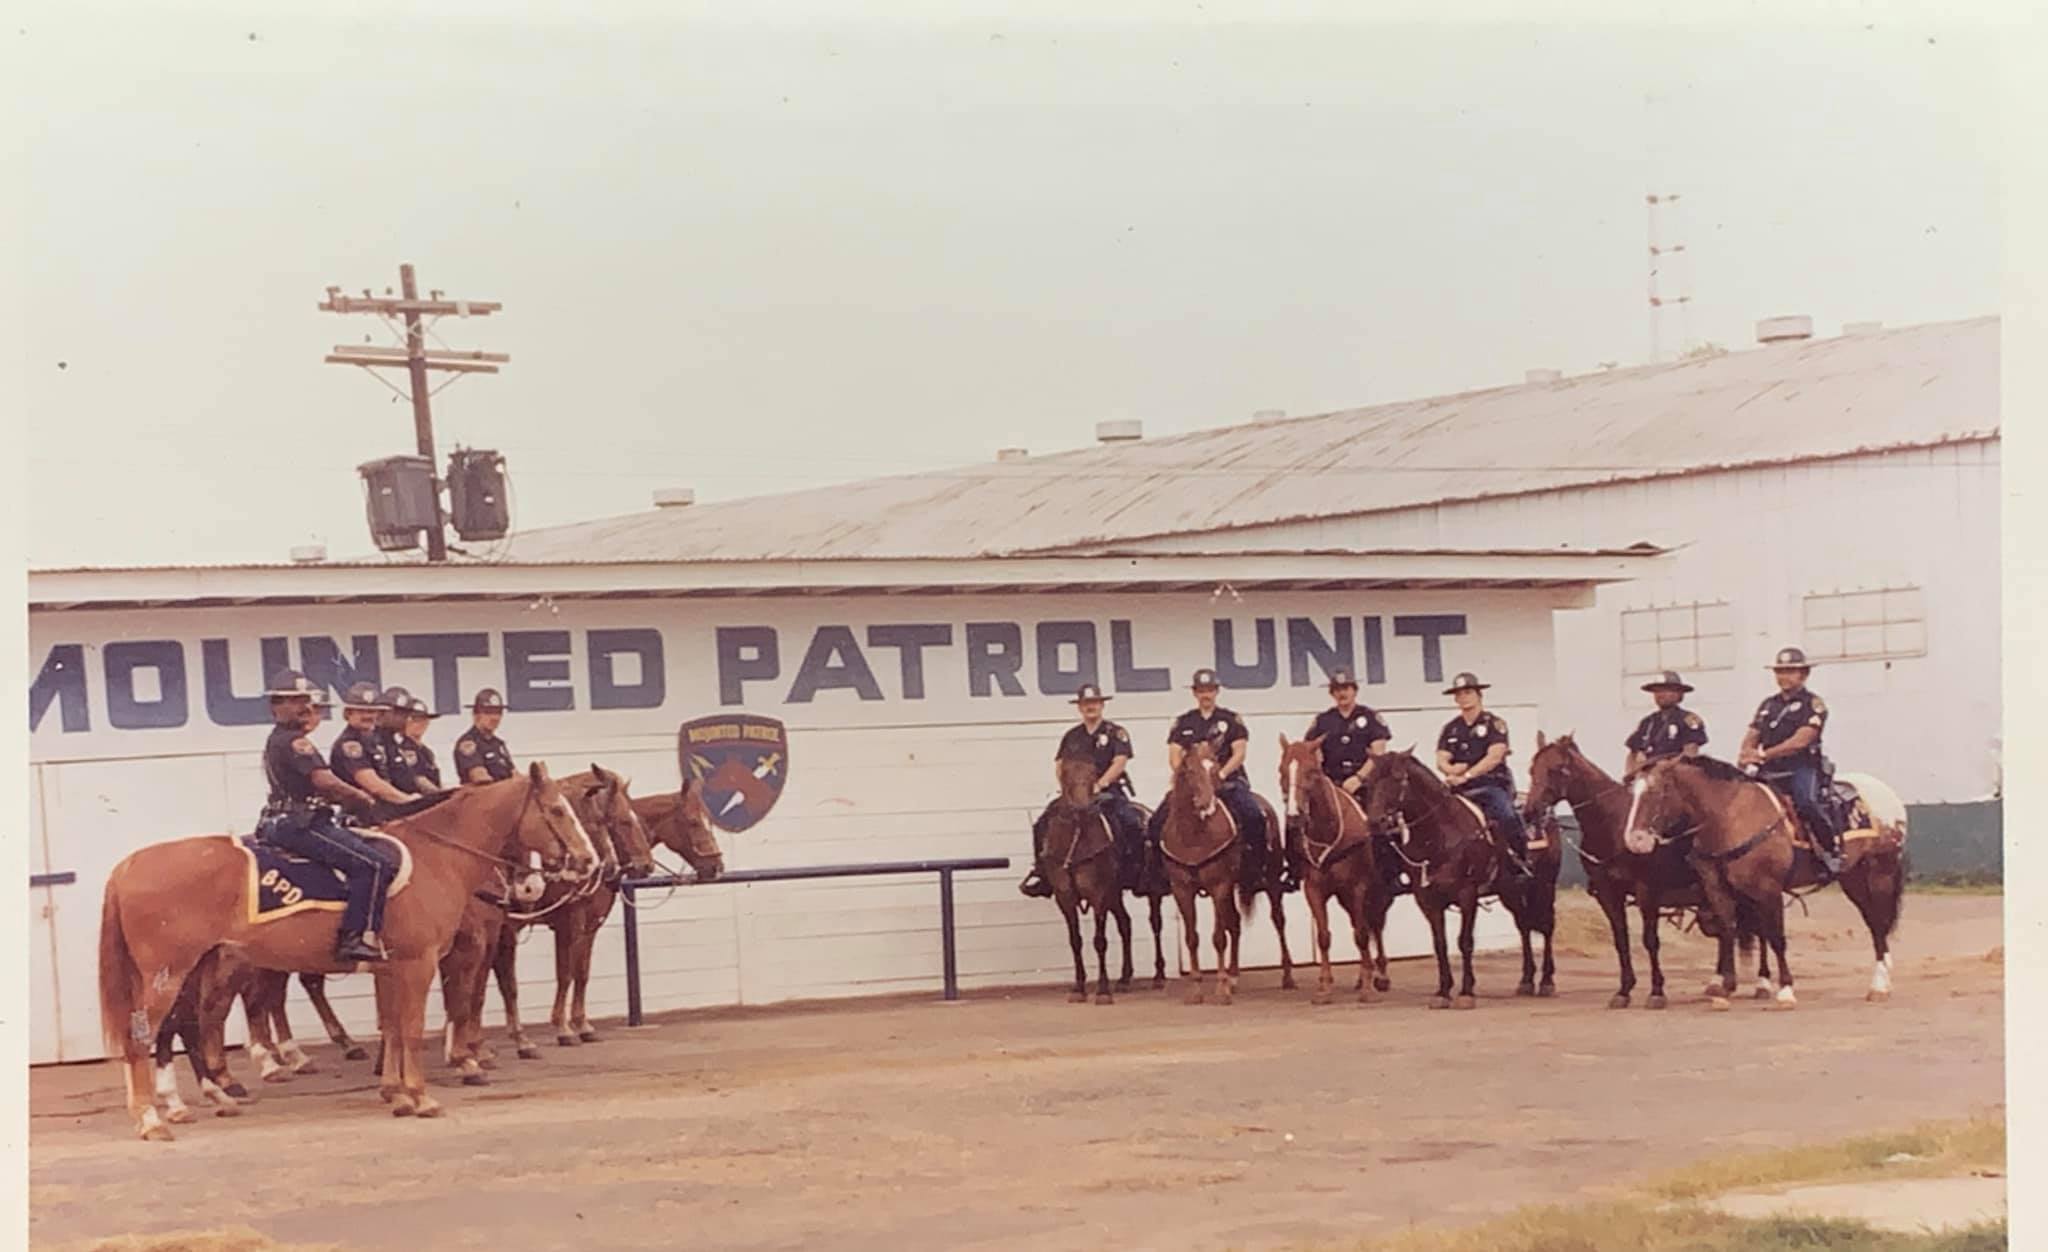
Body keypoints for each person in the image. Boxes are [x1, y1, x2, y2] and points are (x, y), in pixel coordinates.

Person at [254, 670, 392, 964]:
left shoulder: (281, 739)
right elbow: (325, 782)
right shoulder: (294, 742)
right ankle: (356, 937)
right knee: (374, 864)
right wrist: (361, 798)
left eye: (306, 700)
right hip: (299, 823)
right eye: (296, 701)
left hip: (284, 819)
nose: (305, 707)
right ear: (277, 705)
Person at [1144, 668, 1273, 885]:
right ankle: (1158, 874)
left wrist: (1220, 774)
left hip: (1227, 781)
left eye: (1210, 690)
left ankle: (1256, 869)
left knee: (1254, 816)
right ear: (1194, 693)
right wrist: (1187, 780)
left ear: (1216, 691)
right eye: (1201, 690)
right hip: (1193, 786)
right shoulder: (1184, 722)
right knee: (1156, 822)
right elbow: (1174, 756)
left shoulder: (1230, 719)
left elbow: (1239, 753)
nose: (1206, 695)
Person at [1019, 684, 1144, 897]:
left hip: (1107, 792)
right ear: (1080, 707)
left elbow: (1119, 762)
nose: (1090, 707)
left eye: (1094, 702)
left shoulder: (1115, 732)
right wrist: (1069, 789)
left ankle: (1137, 871)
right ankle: (1042, 872)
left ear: (1102, 705)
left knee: (1131, 821)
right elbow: (1061, 766)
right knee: (1041, 824)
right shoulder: (1072, 736)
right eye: (1086, 704)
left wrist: (1099, 784)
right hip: (1075, 795)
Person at [1739, 647, 1839, 875]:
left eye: (1790, 672)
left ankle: (1829, 851)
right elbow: (1753, 733)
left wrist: (1763, 754)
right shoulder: (1768, 705)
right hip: (1768, 770)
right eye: (1780, 672)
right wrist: (1747, 753)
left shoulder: (1813, 704)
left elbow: (1800, 741)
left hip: (1801, 767)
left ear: (1803, 674)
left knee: (1807, 802)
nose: (1783, 677)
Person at [1303, 667, 1396, 889]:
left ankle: (1390, 874)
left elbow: (1378, 753)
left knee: (1380, 823)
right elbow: (1311, 751)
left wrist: (1359, 778)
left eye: (1346, 688)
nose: (1342, 693)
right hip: (1332, 783)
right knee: (1300, 819)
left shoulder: (1371, 717)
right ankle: (1297, 869)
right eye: (1337, 690)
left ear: (1354, 690)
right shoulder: (1323, 721)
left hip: (1364, 782)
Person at [1435, 672, 1532, 879]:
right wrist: (1452, 770)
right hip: (1459, 786)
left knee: (1506, 814)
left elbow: (1495, 756)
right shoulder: (1451, 728)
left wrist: (1467, 773)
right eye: (1459, 694)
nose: (1463, 698)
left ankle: (1520, 859)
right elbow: (1441, 758)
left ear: (1479, 695)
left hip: (1491, 783)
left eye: (1468, 692)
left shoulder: (1494, 723)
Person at [329, 682, 418, 809]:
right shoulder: (349, 744)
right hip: (360, 816)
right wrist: (406, 800)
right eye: (361, 711)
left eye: (372, 711)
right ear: (347, 714)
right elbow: (372, 785)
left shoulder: (374, 741)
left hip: (382, 811)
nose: (368, 716)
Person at [1623, 670, 1708, 776]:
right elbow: (1632, 754)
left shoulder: (1689, 719)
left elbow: (1690, 753)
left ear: (1678, 694)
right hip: (1645, 776)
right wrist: (1631, 774)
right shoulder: (1647, 722)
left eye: (1666, 690)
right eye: (1657, 691)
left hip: (1675, 777)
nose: (1660, 695)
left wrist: (1666, 767)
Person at [453, 688, 516, 784]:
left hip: (504, 796)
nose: (495, 718)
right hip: (481, 797)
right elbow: (479, 777)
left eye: (498, 712)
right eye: (488, 712)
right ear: (476, 715)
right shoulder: (468, 743)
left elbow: (514, 774)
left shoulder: (499, 744)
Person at [403, 696, 444, 792]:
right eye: (416, 720)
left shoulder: (426, 751)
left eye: (425, 719)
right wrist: (440, 795)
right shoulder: (403, 748)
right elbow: (418, 779)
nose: (422, 723)